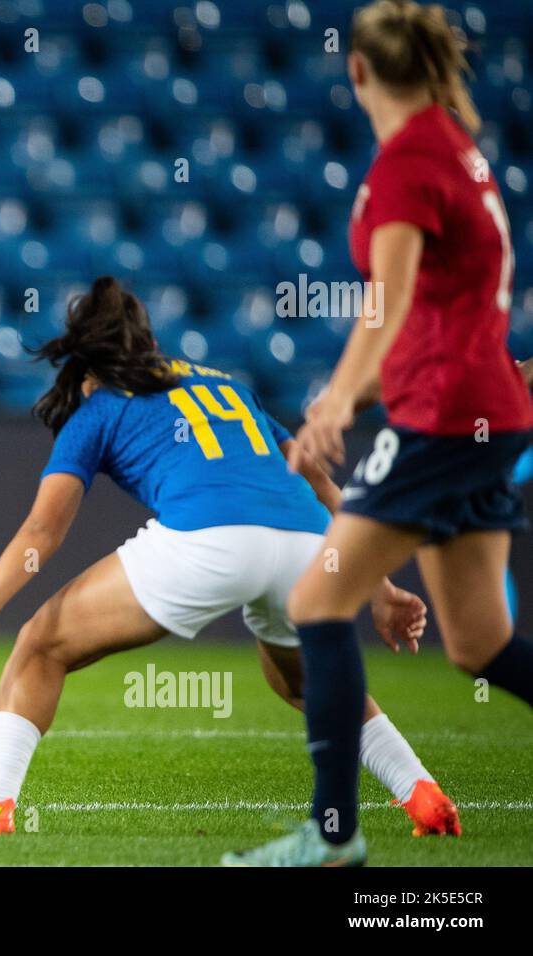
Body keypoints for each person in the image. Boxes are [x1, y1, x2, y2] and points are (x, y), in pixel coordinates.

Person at [0, 276, 455, 837]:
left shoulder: (96, 410)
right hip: (309, 545)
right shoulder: (228, 384)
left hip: (210, 540)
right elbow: (313, 476)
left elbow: (42, 531)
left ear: (82, 358)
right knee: (306, 683)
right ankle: (422, 792)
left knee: (40, 644)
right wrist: (379, 585)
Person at [227, 0, 533, 867]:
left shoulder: (406, 164)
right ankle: (336, 834)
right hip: (491, 413)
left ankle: (333, 838)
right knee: (479, 643)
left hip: (439, 416)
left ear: (357, 71)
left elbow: (388, 302)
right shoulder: (458, 149)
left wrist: (336, 404)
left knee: (317, 601)